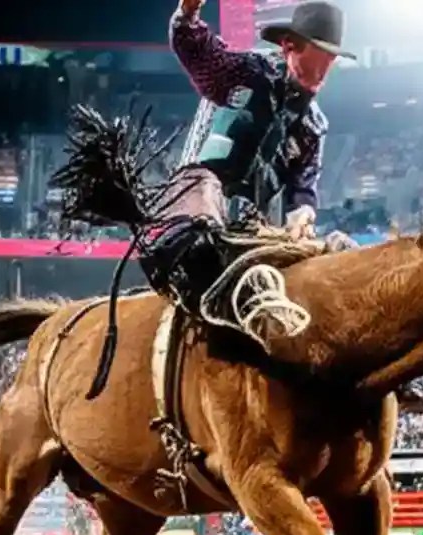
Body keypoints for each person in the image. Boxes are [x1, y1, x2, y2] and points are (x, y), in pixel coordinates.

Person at [141, 0, 357, 345]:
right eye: (319, 55)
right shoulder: (245, 73)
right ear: (289, 46)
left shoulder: (313, 127)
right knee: (203, 206)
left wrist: (302, 215)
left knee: (343, 255)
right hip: (198, 197)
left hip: (252, 222)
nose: (325, 68)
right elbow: (198, 51)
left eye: (331, 59)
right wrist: (188, 15)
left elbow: (302, 187)